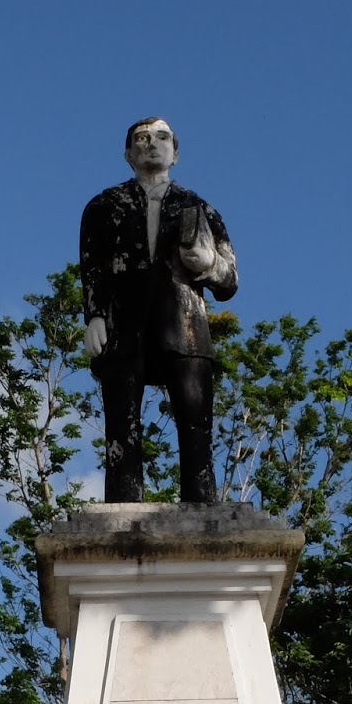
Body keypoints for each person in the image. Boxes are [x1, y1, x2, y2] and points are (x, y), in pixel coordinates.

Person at [80, 117, 237, 506]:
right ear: (127, 154)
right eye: (142, 138)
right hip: (122, 324)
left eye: (162, 137)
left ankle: (201, 503)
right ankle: (123, 503)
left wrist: (208, 265)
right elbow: (93, 267)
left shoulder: (198, 207)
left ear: (176, 153)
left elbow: (230, 279)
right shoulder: (103, 207)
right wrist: (95, 316)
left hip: (185, 325)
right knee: (121, 423)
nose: (152, 144)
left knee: (195, 419)